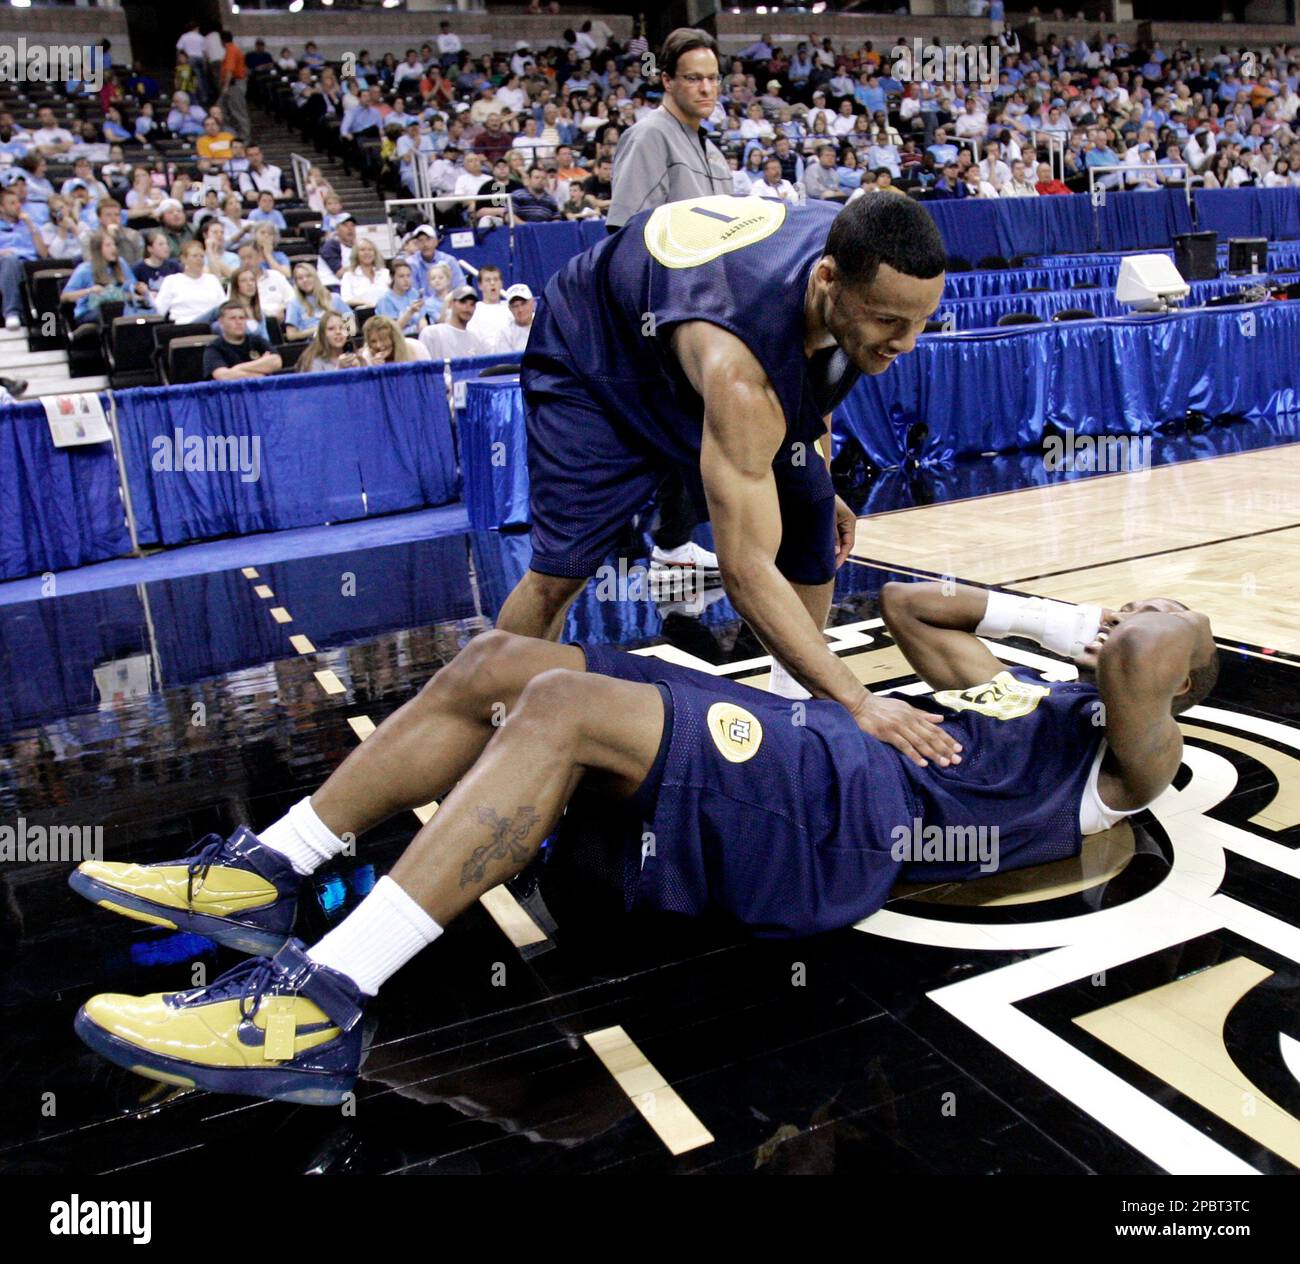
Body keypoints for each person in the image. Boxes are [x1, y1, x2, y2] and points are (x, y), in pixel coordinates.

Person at [68, 589, 1218, 1103]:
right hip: (803, 752)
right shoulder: (1017, 692)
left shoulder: (1121, 770)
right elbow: (917, 608)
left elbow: (1148, 652)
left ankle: (322, 1003)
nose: (1130, 620)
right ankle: (268, 870)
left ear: (1171, 689)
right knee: (498, 662)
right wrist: (1048, 626)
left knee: (561, 706)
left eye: (1149, 628)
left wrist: (1110, 626)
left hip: (833, 827)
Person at [495, 194, 963, 760]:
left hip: (699, 322)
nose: (907, 342)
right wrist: (859, 703)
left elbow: (812, 390)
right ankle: (493, 714)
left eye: (921, 321)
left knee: (812, 517)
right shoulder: (743, 373)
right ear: (826, 278)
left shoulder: (855, 266)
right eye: (890, 321)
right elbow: (745, 573)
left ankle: (801, 723)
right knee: (560, 571)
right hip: (598, 350)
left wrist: (822, 475)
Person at [607, 28, 732, 230]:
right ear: (667, 80)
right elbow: (626, 235)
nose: (706, 88)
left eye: (713, 78)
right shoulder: (649, 136)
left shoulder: (712, 151)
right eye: (693, 78)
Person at [60, 230, 148, 328]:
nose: (113, 248)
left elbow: (132, 287)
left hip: (119, 307)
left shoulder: (121, 264)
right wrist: (89, 291)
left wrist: (139, 289)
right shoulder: (84, 269)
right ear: (98, 250)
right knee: (112, 313)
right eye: (108, 245)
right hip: (89, 312)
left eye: (114, 245)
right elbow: (65, 297)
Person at [0, 184, 47, 328]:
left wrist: (30, 225)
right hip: (8, 264)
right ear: (1, 207)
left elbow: (43, 254)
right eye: (12, 203)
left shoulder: (29, 224)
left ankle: (49, 323)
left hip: (31, 265)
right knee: (10, 260)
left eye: (18, 202)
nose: (18, 206)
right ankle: (12, 313)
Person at [203, 298, 282, 381]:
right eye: (233, 318)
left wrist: (238, 368)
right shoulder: (214, 348)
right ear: (221, 322)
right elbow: (223, 376)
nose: (238, 322)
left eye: (242, 318)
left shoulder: (257, 340)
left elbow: (276, 362)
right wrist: (260, 372)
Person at [153, 239, 226, 324]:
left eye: (202, 256)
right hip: (185, 324)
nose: (199, 259)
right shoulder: (172, 281)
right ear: (184, 259)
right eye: (195, 256)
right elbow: (159, 310)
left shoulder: (212, 279)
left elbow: (223, 307)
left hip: (212, 324)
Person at [284, 261, 353, 340]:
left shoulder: (335, 298)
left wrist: (337, 332)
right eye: (300, 278)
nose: (305, 280)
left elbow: (351, 326)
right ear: (296, 283)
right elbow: (291, 335)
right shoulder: (294, 303)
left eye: (308, 276)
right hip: (312, 344)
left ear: (316, 277)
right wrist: (319, 330)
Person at [418, 284, 487, 360]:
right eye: (463, 302)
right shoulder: (431, 333)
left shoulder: (477, 340)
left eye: (472, 304)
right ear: (451, 304)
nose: (467, 307)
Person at [297, 310, 361, 372]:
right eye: (331, 329)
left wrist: (359, 370)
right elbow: (316, 383)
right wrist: (339, 369)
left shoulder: (356, 357)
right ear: (323, 334)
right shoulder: (312, 361)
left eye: (342, 328)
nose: (338, 332)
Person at [465, 263, 512, 344]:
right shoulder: (474, 310)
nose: (492, 283)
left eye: (496, 279)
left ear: (501, 283)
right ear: (480, 285)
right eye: (488, 280)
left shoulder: (511, 308)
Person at [359, 313, 430, 365]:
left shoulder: (416, 347)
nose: (379, 345)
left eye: (383, 339)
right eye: (373, 341)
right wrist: (376, 371)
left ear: (394, 338)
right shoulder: (367, 356)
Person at [219, 31, 250, 144]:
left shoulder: (231, 50)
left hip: (234, 85)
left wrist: (226, 86)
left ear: (222, 40)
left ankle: (244, 140)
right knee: (222, 110)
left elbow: (229, 70)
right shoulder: (233, 49)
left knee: (239, 113)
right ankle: (232, 135)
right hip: (234, 84)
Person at [493, 282, 535, 353]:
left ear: (532, 303)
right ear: (510, 309)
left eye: (523, 304)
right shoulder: (505, 333)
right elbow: (505, 362)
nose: (520, 310)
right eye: (515, 306)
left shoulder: (545, 324)